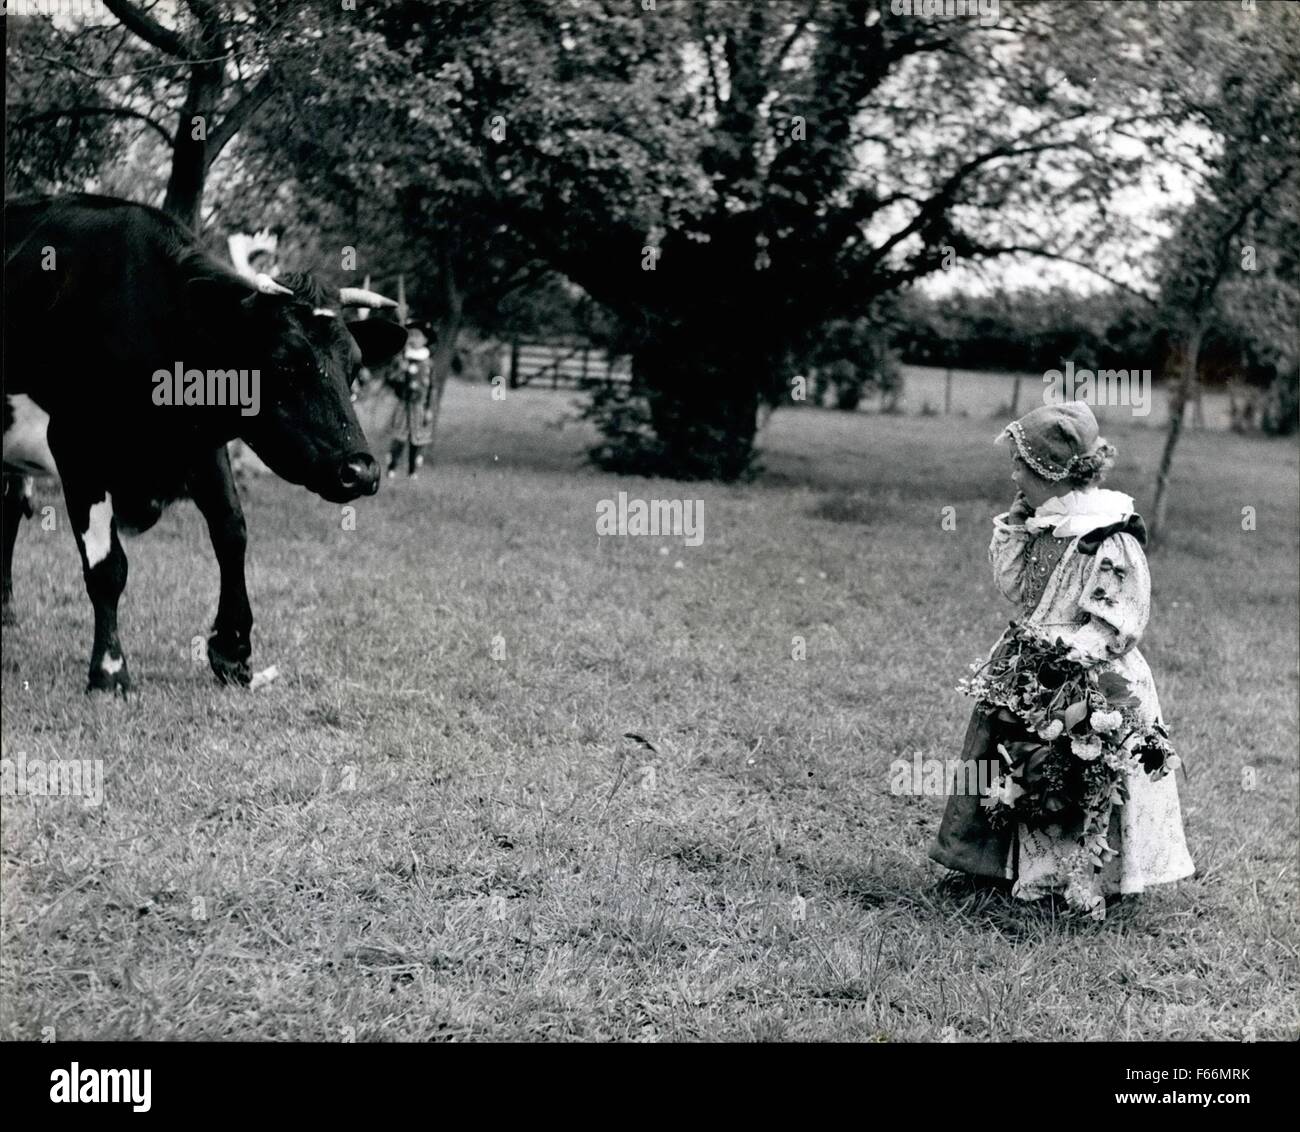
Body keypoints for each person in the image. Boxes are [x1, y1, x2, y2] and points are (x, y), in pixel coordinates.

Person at [929, 401, 1194, 910]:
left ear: (1052, 473)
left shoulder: (1107, 536)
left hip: (1086, 674)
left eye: (1020, 467)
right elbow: (1015, 589)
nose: (1012, 475)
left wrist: (1066, 656)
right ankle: (997, 866)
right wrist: (1013, 527)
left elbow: (1118, 621)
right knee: (1011, 763)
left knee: (1072, 771)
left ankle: (1072, 881)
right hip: (1032, 664)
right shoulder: (1044, 524)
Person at [385, 327, 434, 479]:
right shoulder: (402, 359)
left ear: (425, 340)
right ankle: (392, 467)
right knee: (399, 437)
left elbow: (431, 387)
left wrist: (429, 408)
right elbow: (390, 379)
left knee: (417, 438)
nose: (414, 339)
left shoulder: (428, 362)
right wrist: (400, 372)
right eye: (411, 335)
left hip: (419, 405)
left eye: (418, 336)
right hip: (404, 404)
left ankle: (412, 471)